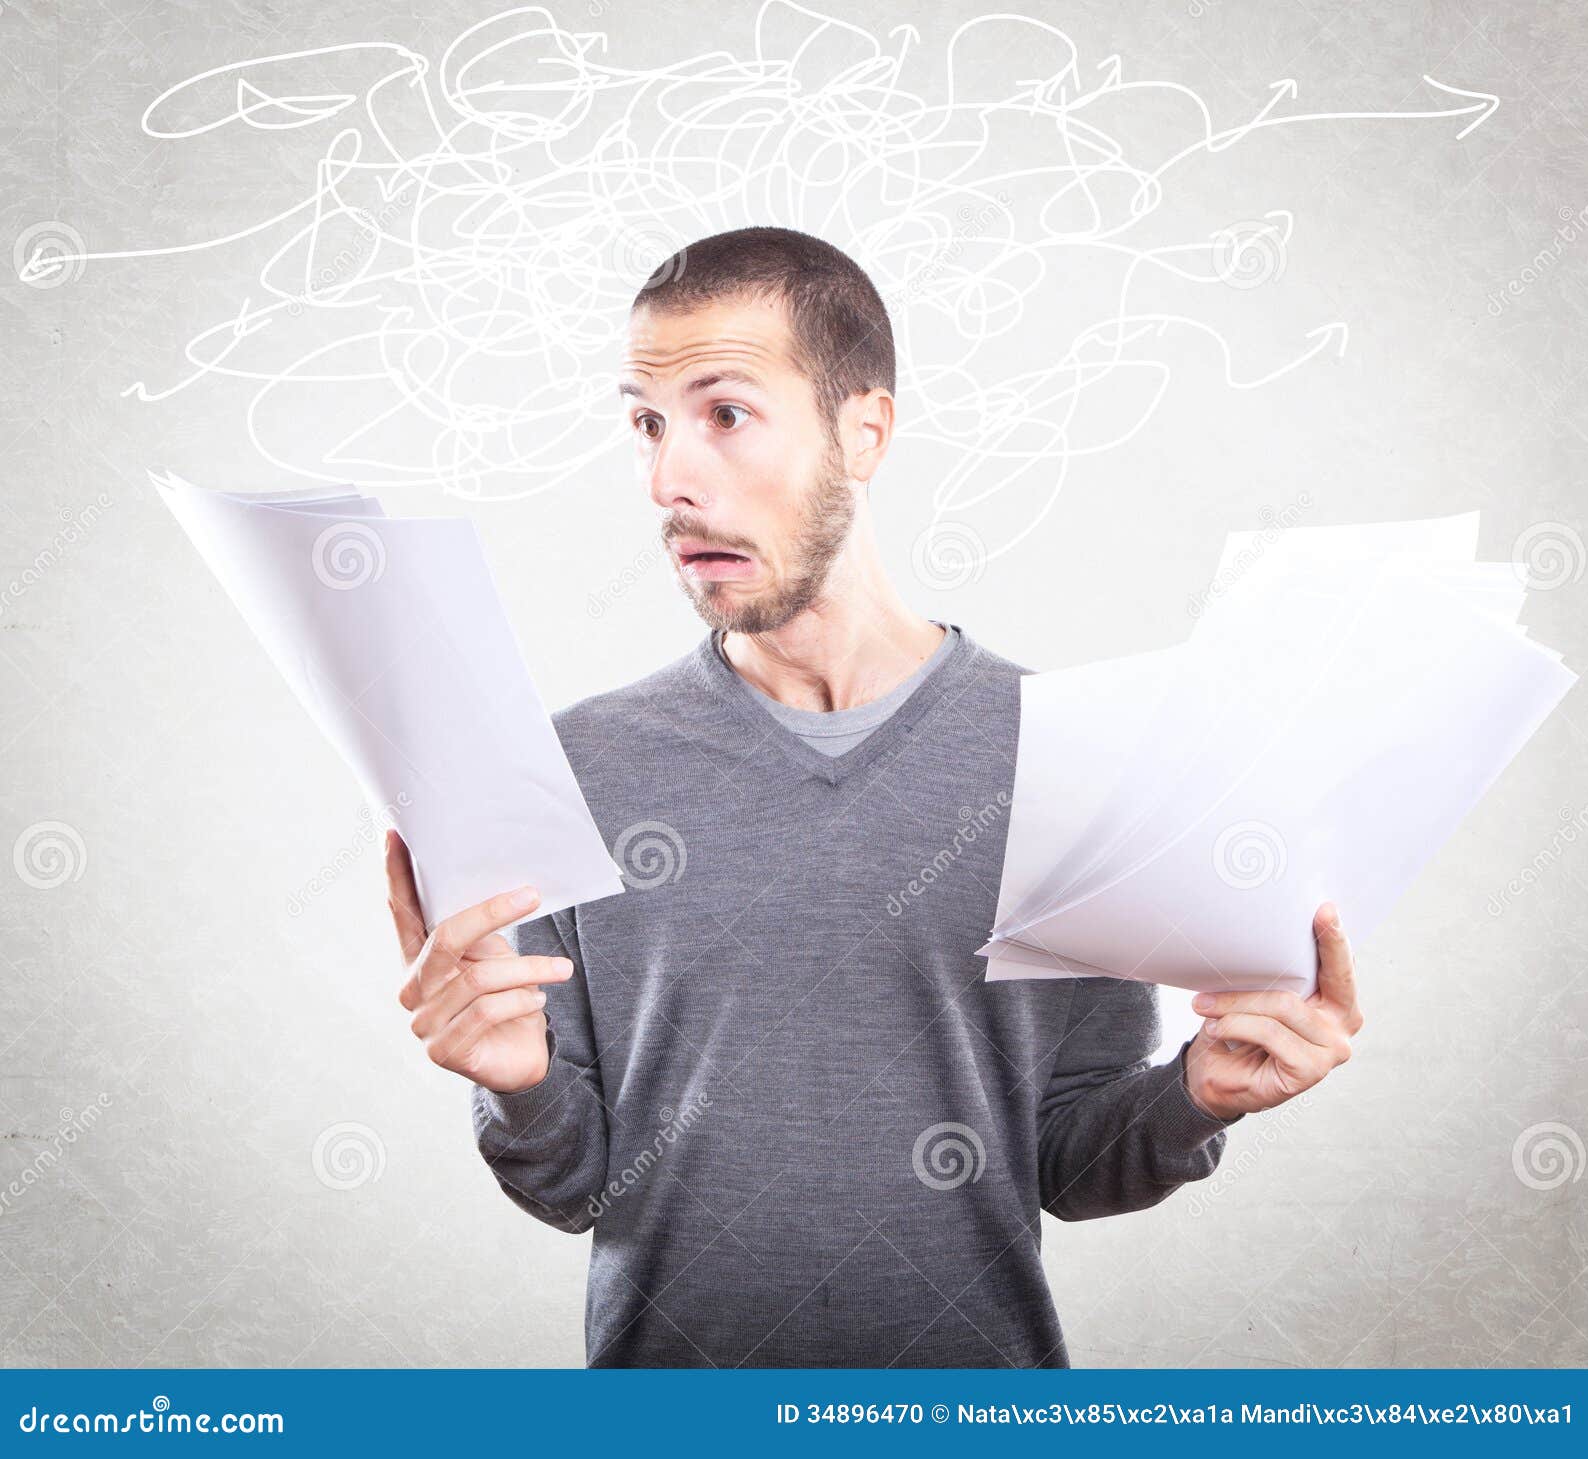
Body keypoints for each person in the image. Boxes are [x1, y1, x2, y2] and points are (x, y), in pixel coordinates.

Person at [386, 226, 1363, 1368]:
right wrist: (520, 1089)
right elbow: (572, 1185)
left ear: (866, 431)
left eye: (725, 414)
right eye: (646, 424)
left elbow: (1071, 1164)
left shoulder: (1067, 757)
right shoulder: (575, 767)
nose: (668, 480)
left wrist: (1198, 1094)